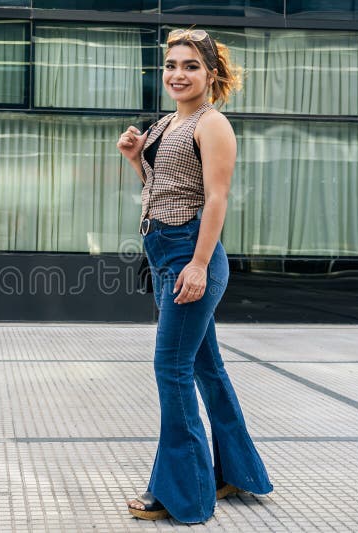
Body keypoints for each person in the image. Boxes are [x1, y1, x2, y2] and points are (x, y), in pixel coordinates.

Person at [117, 28, 273, 524]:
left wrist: (200, 265)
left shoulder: (213, 124)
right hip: (165, 253)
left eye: (190, 66)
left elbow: (216, 199)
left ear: (210, 74)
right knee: (206, 369)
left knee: (172, 371)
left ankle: (182, 492)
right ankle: (237, 474)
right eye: (171, 65)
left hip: (189, 257)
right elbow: (165, 189)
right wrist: (134, 158)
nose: (177, 74)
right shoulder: (165, 124)